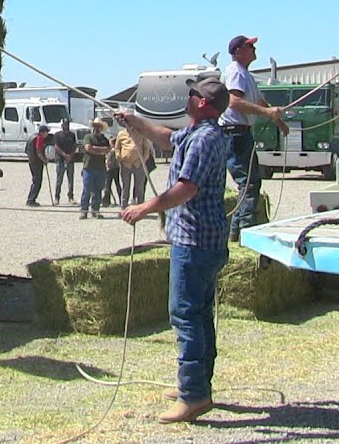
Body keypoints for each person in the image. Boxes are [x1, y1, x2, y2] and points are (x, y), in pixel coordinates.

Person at [116, 77, 230, 423]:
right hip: (203, 241)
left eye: (193, 94)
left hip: (195, 242)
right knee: (198, 313)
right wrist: (135, 121)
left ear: (204, 104)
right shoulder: (197, 133)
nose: (188, 96)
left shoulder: (205, 139)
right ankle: (196, 384)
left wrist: (144, 208)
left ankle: (194, 394)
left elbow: (186, 188)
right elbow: (167, 138)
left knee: (185, 314)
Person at [221, 35, 289, 241]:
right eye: (249, 46)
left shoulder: (246, 75)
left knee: (250, 182)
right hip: (235, 132)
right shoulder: (235, 72)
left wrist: (278, 121)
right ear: (238, 51)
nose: (254, 48)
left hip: (241, 132)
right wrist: (268, 114)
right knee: (249, 183)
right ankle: (243, 231)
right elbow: (233, 101)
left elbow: (259, 101)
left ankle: (238, 231)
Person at [113, 121, 153, 207]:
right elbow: (117, 148)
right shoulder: (121, 134)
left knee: (140, 187)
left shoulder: (141, 133)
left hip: (138, 164)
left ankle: (140, 207)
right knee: (125, 187)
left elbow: (146, 148)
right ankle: (124, 208)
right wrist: (120, 158)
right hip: (126, 164)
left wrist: (144, 160)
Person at [78, 118, 111, 219]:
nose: (96, 128)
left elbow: (108, 149)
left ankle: (95, 210)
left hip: (101, 168)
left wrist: (95, 149)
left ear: (101, 128)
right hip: (89, 167)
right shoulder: (88, 137)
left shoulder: (104, 139)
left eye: (98, 127)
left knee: (98, 190)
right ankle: (84, 210)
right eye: (95, 126)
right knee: (87, 189)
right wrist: (101, 150)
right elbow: (88, 148)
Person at [53, 119, 78, 205]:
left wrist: (71, 155)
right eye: (64, 124)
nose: (65, 125)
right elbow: (56, 147)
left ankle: (71, 196)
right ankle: (57, 197)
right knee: (59, 179)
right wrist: (64, 155)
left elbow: (74, 146)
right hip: (60, 159)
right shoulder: (57, 135)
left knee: (70, 179)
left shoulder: (72, 135)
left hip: (70, 159)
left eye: (67, 124)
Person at [25, 124, 50, 207]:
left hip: (31, 161)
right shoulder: (39, 138)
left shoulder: (32, 137)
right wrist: (44, 160)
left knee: (35, 180)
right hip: (37, 162)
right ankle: (31, 200)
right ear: (43, 132)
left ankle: (30, 198)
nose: (47, 134)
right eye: (46, 132)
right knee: (37, 181)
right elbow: (39, 151)